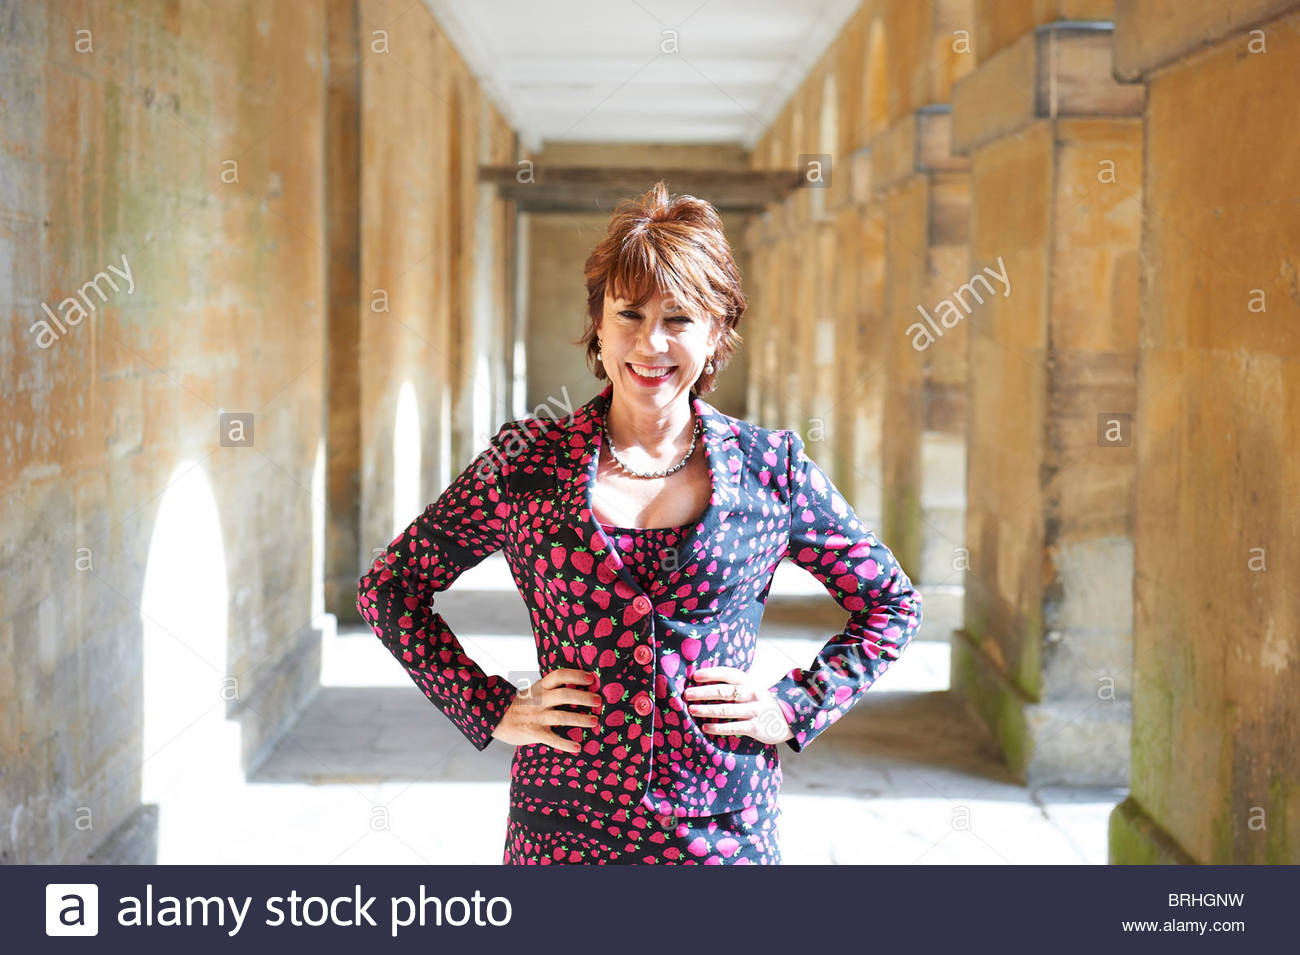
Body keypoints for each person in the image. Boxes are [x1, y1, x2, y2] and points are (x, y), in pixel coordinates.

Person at [356, 181, 923, 865]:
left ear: (717, 329)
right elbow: (389, 587)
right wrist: (488, 705)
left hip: (723, 826)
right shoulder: (524, 466)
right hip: (563, 825)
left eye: (679, 318)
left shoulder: (771, 469)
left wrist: (794, 705)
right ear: (598, 322)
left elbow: (891, 602)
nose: (651, 343)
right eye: (629, 313)